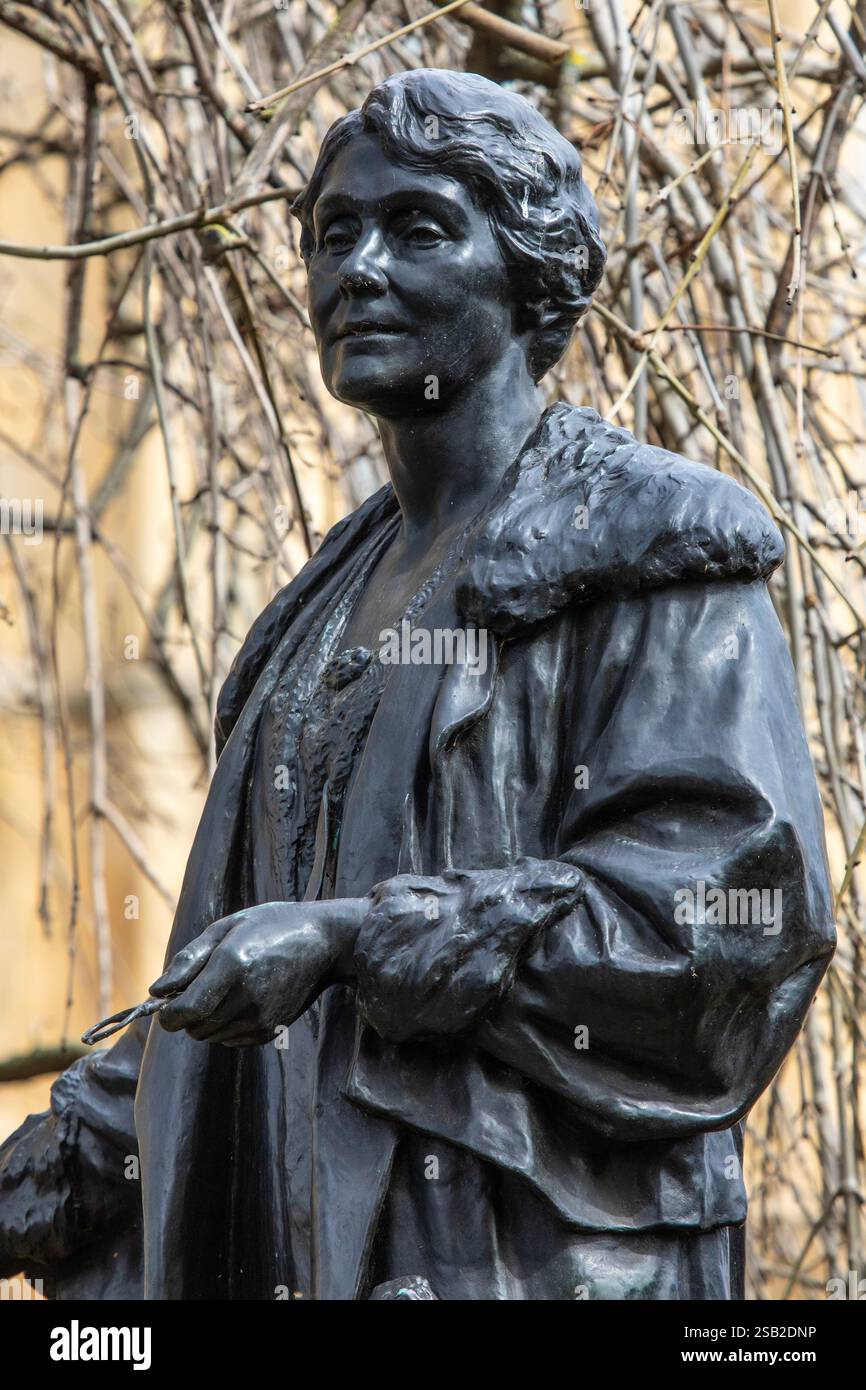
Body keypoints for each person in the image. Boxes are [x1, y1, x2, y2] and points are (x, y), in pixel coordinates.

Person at [0, 68, 834, 1301]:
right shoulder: (314, 611)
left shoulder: (651, 546)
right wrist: (70, 1157)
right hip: (302, 1250)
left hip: (521, 1259)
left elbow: (726, 930)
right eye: (334, 234)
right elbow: (236, 961)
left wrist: (349, 939)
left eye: (418, 228)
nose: (358, 269)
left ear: (527, 271)